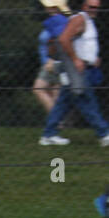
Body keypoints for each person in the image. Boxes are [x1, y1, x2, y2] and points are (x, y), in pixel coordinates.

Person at [40, 0, 109, 145]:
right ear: (84, 6)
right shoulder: (79, 19)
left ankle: (48, 134)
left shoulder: (87, 21)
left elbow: (81, 43)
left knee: (63, 103)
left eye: (97, 7)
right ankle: (104, 133)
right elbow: (64, 39)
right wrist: (76, 59)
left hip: (83, 67)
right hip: (77, 69)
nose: (94, 10)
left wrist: (92, 58)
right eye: (91, 7)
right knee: (87, 101)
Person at [35, 1, 71, 114]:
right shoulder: (56, 20)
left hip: (52, 63)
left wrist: (51, 59)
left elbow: (59, 41)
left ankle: (56, 120)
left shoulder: (59, 21)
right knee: (55, 94)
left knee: (38, 89)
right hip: (51, 62)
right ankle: (58, 124)